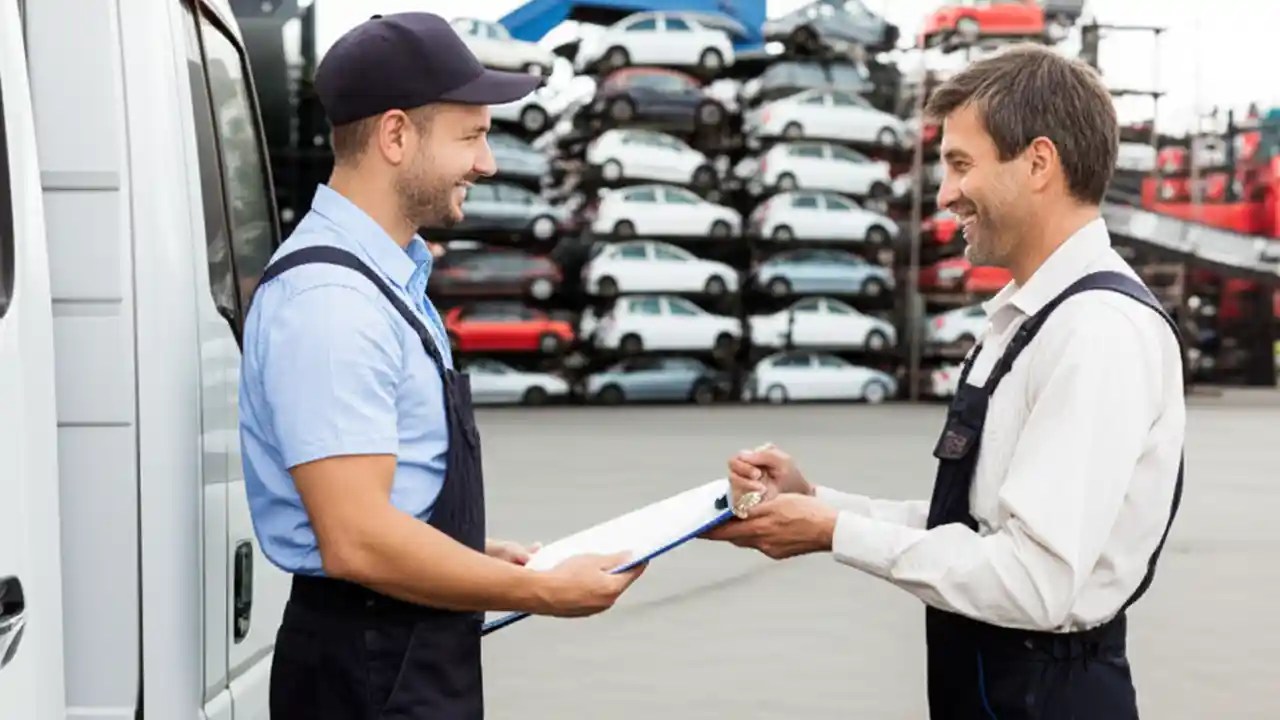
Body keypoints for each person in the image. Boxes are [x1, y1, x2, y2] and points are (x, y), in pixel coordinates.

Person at [705, 44, 1185, 719]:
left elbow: (1033, 581)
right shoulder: (1029, 319)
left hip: (1048, 696)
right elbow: (979, 529)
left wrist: (833, 532)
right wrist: (819, 502)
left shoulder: (1096, 331)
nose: (944, 193)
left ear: (1038, 163)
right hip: (997, 681)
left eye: (962, 164)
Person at [237, 13, 644, 720]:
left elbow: (381, 503)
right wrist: (539, 593)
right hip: (369, 673)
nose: (486, 162)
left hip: (404, 651)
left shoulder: (383, 279)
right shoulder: (331, 303)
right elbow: (358, 539)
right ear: (396, 135)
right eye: (473, 135)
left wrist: (479, 557)